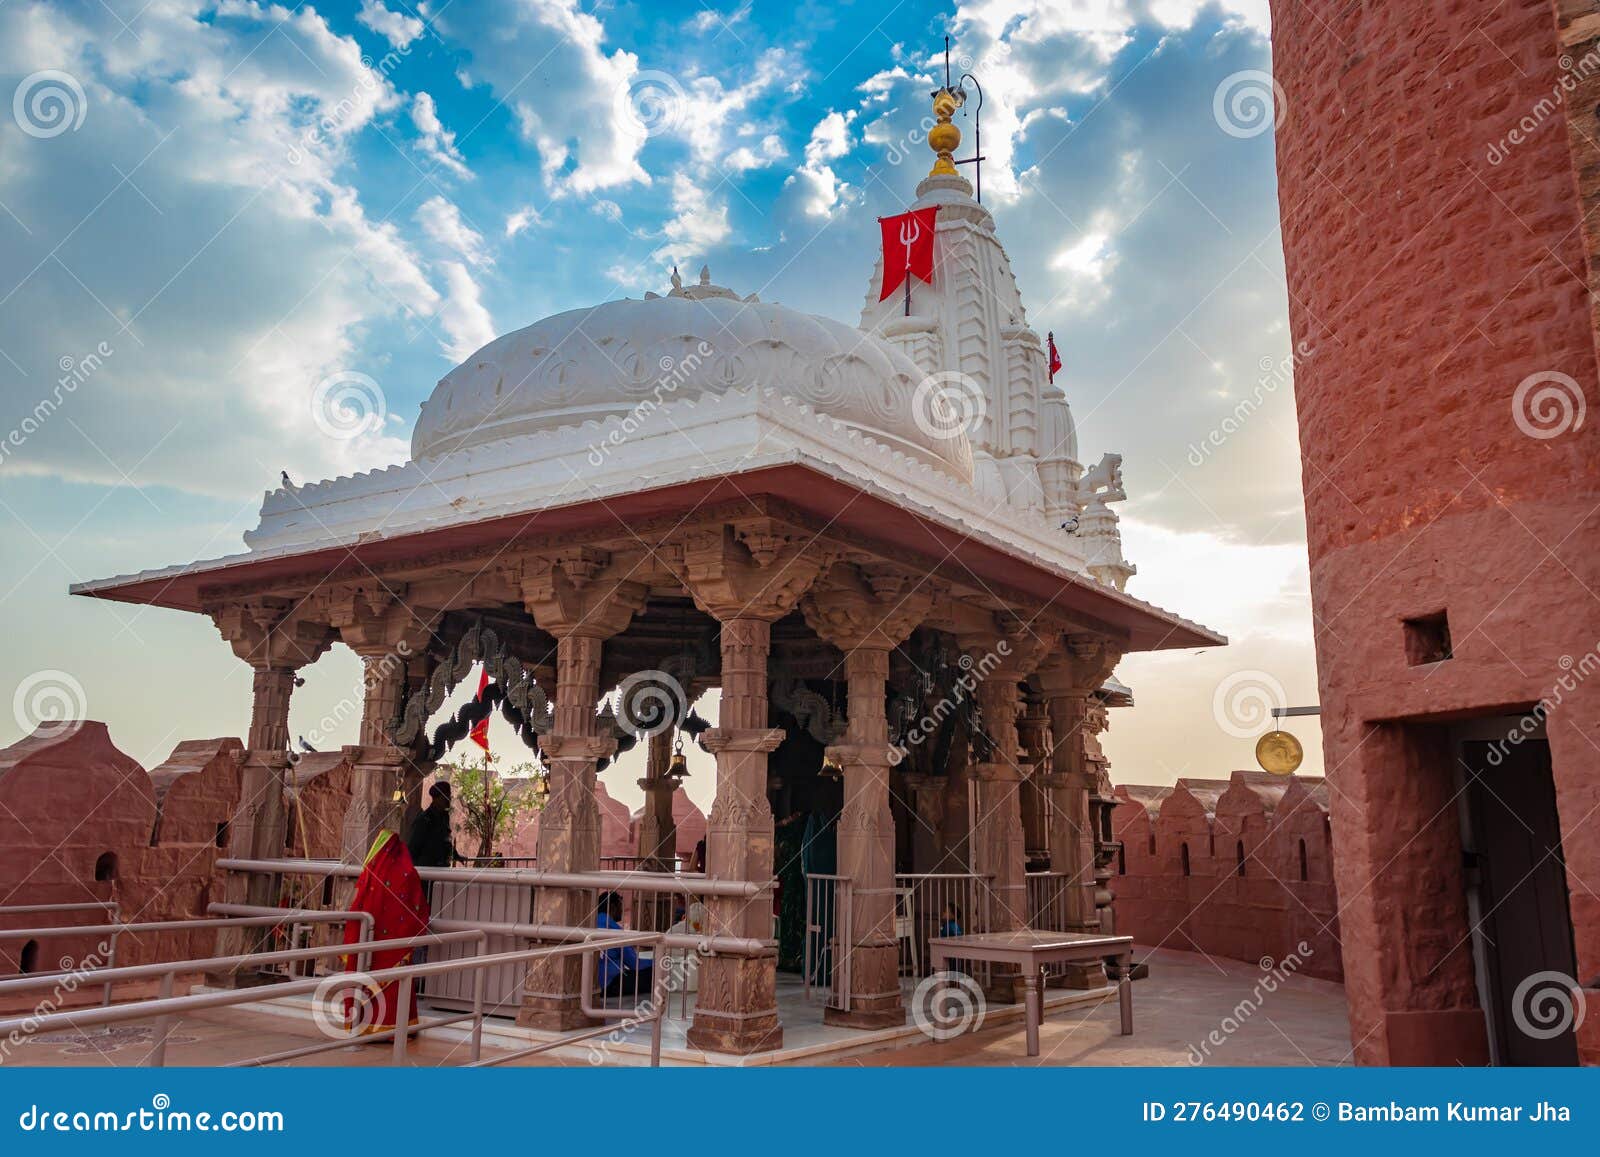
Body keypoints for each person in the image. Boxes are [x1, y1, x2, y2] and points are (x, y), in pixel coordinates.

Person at [339, 830, 429, 1036]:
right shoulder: (408, 873)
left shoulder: (371, 873)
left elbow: (357, 904)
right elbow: (418, 908)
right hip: (397, 942)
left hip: (369, 939)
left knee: (366, 979)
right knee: (395, 983)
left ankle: (363, 1024)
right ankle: (393, 1027)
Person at [595, 891, 653, 1000]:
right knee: (655, 972)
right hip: (611, 983)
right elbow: (634, 963)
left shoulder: (593, 922)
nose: (622, 911)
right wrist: (655, 961)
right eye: (621, 906)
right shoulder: (612, 926)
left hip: (593, 983)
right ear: (613, 906)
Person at [406, 781, 460, 869]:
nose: (449, 799)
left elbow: (446, 840)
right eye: (445, 797)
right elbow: (413, 848)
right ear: (436, 799)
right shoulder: (424, 819)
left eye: (449, 796)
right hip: (427, 871)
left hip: (442, 869)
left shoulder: (444, 817)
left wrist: (455, 854)